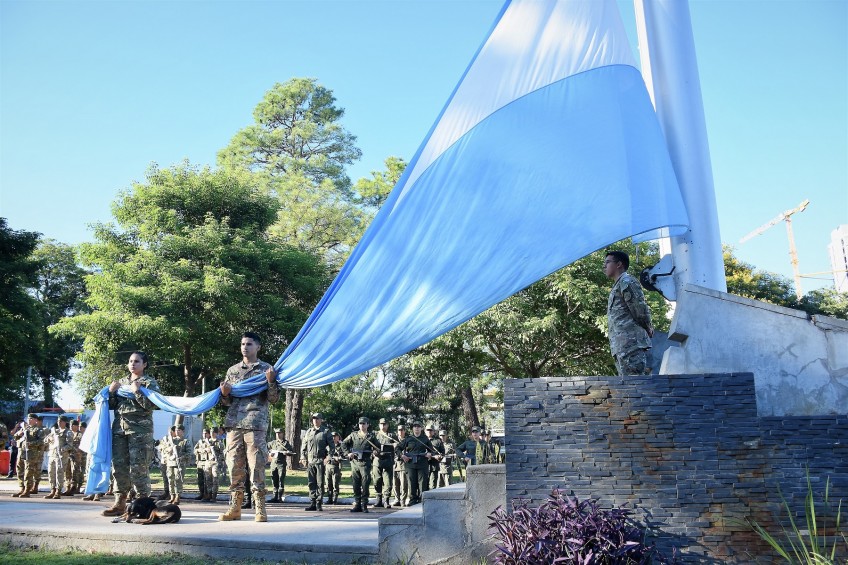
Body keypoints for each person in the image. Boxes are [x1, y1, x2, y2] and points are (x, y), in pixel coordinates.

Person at [217, 331, 279, 523]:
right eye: (243, 344)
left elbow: (274, 398)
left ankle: (260, 509)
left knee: (256, 467)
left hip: (255, 424)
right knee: (234, 466)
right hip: (234, 425)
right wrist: (225, 394)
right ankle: (235, 508)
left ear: (258, 347)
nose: (245, 347)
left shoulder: (267, 369)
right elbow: (226, 402)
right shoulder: (233, 370)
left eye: (249, 344)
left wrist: (270, 382)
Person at [102, 351, 161, 516]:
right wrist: (111, 392)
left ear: (144, 364)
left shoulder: (149, 383)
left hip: (139, 432)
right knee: (119, 467)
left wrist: (137, 391)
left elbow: (150, 405)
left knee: (139, 468)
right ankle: (120, 503)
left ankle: (143, 504)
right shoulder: (121, 383)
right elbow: (111, 405)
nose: (133, 364)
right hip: (119, 430)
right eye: (130, 361)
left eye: (137, 361)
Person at [604, 250, 654, 376]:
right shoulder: (618, 285)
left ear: (619, 264)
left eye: (608, 262)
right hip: (621, 347)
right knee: (628, 388)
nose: (604, 266)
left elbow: (639, 309)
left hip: (631, 346)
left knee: (635, 386)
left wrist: (648, 326)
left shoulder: (627, 281)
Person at [341, 416, 376, 513]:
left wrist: (375, 453)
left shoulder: (371, 436)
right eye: (360, 424)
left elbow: (377, 448)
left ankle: (364, 504)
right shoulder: (353, 435)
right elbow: (343, 443)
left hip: (365, 462)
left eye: (364, 423)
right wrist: (348, 453)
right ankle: (357, 504)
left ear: (368, 425)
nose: (362, 425)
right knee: (356, 484)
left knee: (365, 484)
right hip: (355, 462)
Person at [300, 412, 333, 511]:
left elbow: (332, 447)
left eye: (317, 418)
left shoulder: (325, 432)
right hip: (310, 461)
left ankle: (319, 502)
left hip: (320, 460)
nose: (315, 420)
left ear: (321, 420)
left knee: (320, 483)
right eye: (313, 418)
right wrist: (303, 457)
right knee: (311, 482)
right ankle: (312, 502)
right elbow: (304, 446)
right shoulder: (309, 432)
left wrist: (328, 457)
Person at [396, 421, 432, 506]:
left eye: (418, 426)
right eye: (415, 426)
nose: (416, 428)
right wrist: (402, 456)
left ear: (421, 428)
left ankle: (422, 500)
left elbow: (432, 450)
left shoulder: (425, 439)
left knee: (422, 483)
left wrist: (430, 454)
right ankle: (412, 500)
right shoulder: (408, 438)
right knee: (411, 483)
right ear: (412, 428)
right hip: (410, 464)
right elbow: (398, 448)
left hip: (422, 464)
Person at [12, 414, 45, 498]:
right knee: (19, 470)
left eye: (31, 419)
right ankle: (22, 488)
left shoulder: (38, 430)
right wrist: (19, 434)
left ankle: (27, 490)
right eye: (29, 418)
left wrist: (31, 443)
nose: (29, 420)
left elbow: (41, 442)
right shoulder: (25, 428)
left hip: (31, 454)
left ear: (35, 420)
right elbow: (15, 437)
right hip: (22, 452)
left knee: (28, 472)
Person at [43, 416, 72, 499]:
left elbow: (70, 445)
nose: (59, 422)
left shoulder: (68, 432)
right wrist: (49, 438)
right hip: (52, 454)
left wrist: (63, 448)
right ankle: (52, 489)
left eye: (61, 421)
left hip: (61, 456)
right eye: (58, 421)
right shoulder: (54, 431)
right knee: (51, 472)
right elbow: (45, 440)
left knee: (59, 473)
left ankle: (58, 491)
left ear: (65, 422)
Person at [372, 417, 395, 507]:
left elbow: (397, 446)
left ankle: (386, 500)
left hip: (388, 459)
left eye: (384, 424)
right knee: (377, 480)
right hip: (377, 460)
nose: (383, 426)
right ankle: (378, 500)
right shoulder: (375, 434)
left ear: (387, 425)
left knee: (387, 481)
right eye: (381, 424)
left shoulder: (391, 435)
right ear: (379, 425)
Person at [165, 424, 191, 504]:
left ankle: (177, 496)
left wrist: (181, 457)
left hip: (180, 464)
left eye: (179, 430)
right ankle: (172, 495)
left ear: (183, 431)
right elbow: (165, 450)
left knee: (178, 480)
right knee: (170, 480)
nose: (177, 431)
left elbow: (189, 453)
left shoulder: (185, 441)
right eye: (176, 430)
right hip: (170, 463)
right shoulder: (171, 440)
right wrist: (170, 449)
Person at [267, 427, 294, 503]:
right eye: (277, 433)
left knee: (280, 480)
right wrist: (270, 453)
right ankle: (275, 496)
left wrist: (287, 452)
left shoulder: (285, 443)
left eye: (279, 433)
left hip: (281, 464)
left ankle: (279, 497)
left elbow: (291, 452)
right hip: (273, 464)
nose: (278, 435)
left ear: (283, 434)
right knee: (274, 480)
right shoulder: (273, 443)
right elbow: (265, 447)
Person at [62, 419, 84, 495]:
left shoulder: (80, 435)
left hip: (76, 456)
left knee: (75, 471)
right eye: (71, 425)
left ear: (77, 426)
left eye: (73, 425)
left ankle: (73, 487)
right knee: (67, 472)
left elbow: (81, 446)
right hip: (68, 455)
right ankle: (67, 487)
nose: (71, 427)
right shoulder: (68, 433)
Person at [392, 424, 409, 507]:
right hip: (394, 464)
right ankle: (397, 499)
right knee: (395, 484)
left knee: (404, 484)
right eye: (399, 430)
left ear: (404, 431)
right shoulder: (393, 440)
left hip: (403, 464)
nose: (400, 431)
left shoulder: (407, 440)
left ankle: (403, 499)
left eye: (402, 430)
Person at [156, 427, 174, 501]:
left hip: (171, 461)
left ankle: (172, 493)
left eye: (172, 431)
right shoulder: (165, 439)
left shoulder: (176, 440)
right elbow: (160, 447)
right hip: (164, 460)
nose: (170, 432)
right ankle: (166, 492)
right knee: (165, 477)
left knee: (171, 478)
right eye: (169, 431)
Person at [325, 431, 343, 504]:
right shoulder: (327, 446)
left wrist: (338, 458)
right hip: (328, 466)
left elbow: (343, 455)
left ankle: (335, 499)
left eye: (335, 436)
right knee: (328, 483)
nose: (333, 438)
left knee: (335, 483)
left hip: (336, 466)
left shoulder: (341, 446)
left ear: (338, 437)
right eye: (332, 436)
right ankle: (329, 498)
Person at [425, 425, 444, 489]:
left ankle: (431, 499)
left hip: (434, 466)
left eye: (431, 430)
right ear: (425, 431)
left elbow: (442, 452)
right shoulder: (421, 440)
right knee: (424, 485)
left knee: (433, 485)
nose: (429, 432)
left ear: (434, 431)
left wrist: (440, 456)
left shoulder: (438, 441)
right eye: (428, 430)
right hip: (423, 466)